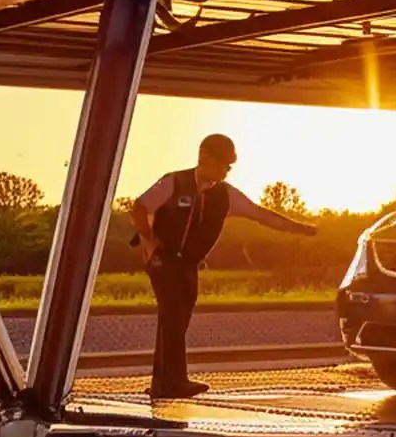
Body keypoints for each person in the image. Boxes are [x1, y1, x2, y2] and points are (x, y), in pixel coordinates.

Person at [130, 134, 317, 401]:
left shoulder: (225, 194)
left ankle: (163, 384)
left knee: (177, 317)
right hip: (163, 257)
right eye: (223, 164)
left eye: (229, 167)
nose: (226, 171)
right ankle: (174, 383)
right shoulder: (174, 182)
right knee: (173, 314)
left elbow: (260, 214)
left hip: (188, 263)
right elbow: (140, 207)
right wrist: (149, 243)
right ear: (204, 157)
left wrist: (300, 229)